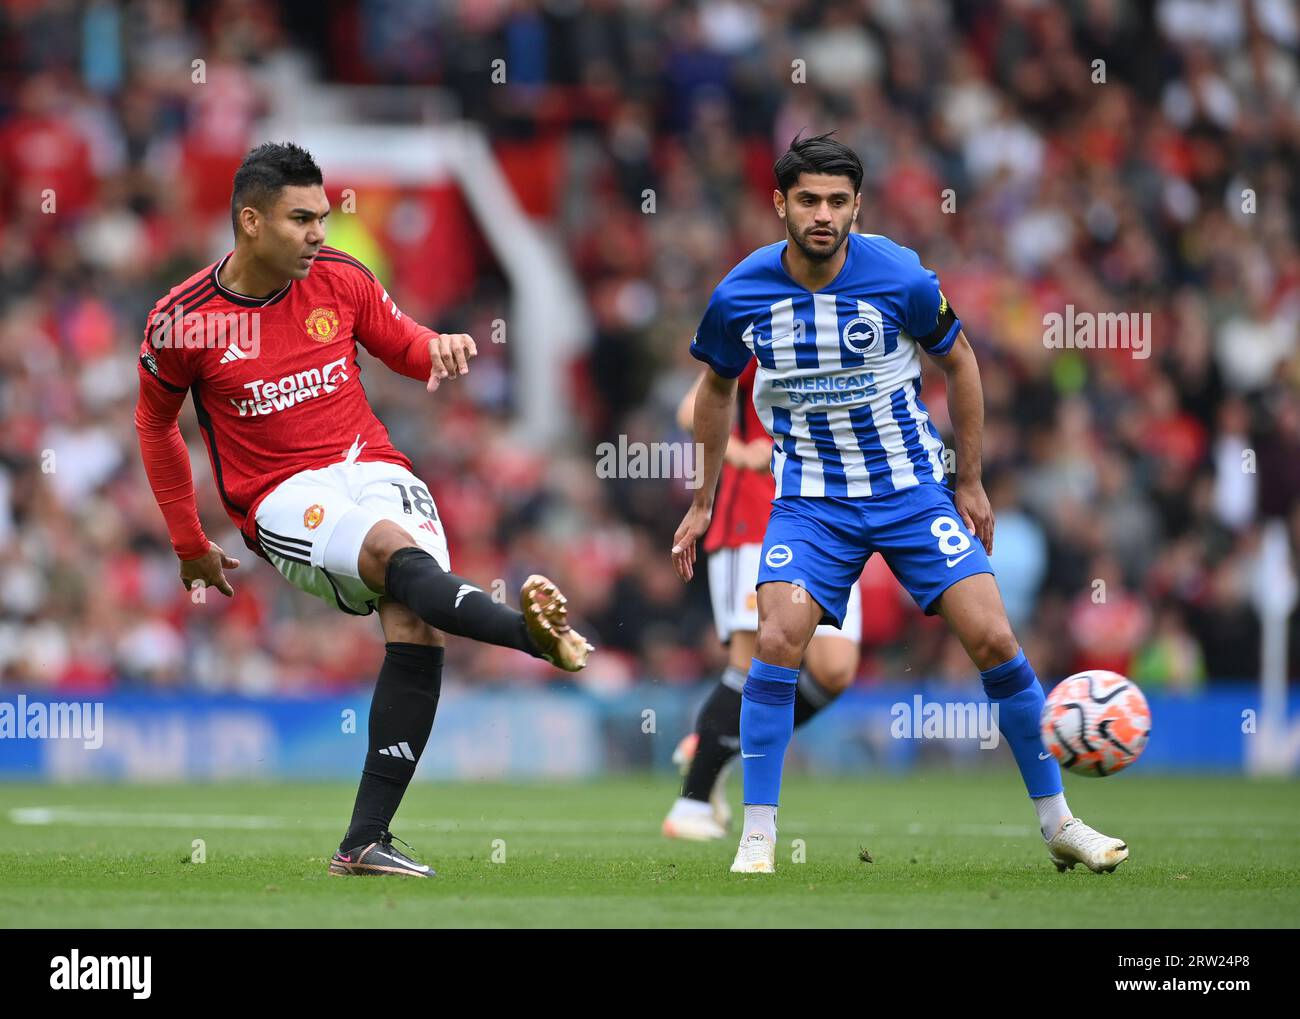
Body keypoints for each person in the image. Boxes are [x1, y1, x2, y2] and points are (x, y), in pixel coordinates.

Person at [670, 132, 1127, 875]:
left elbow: (962, 360)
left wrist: (969, 480)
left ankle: (1060, 823)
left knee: (993, 639)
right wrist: (702, 498)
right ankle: (758, 834)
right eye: (810, 199)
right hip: (811, 500)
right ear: (780, 203)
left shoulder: (902, 277)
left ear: (858, 206)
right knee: (778, 639)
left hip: (910, 491)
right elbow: (717, 389)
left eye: (838, 201)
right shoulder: (740, 294)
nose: (824, 214)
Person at [134, 142, 591, 879]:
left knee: (417, 618)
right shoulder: (184, 319)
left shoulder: (340, 276)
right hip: (279, 492)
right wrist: (189, 540)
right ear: (250, 221)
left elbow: (398, 342)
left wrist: (434, 346)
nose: (321, 231)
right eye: (302, 218)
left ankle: (364, 842)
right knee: (390, 554)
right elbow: (154, 425)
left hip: (370, 465)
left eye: (323, 215)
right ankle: (533, 636)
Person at [663, 362, 861, 841]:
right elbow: (691, 408)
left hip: (833, 517)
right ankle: (690, 805)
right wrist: (741, 453)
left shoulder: (853, 324)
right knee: (752, 662)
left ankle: (719, 746)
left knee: (835, 669)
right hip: (757, 515)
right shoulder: (767, 319)